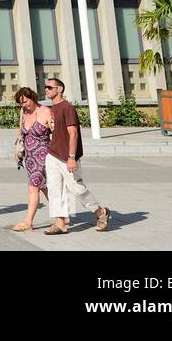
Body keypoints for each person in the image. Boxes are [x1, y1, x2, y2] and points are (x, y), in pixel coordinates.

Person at [41, 77, 111, 234]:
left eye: (49, 87)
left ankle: (101, 213)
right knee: (54, 189)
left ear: (59, 89)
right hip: (52, 154)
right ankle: (60, 223)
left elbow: (73, 133)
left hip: (67, 157)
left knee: (77, 189)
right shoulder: (52, 108)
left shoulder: (67, 108)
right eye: (45, 87)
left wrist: (71, 157)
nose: (46, 89)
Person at [11, 87, 50, 231]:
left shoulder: (45, 111)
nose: (24, 105)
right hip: (30, 158)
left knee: (33, 188)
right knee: (45, 188)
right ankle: (62, 216)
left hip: (43, 156)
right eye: (21, 103)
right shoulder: (23, 113)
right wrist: (18, 150)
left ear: (32, 98)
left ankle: (28, 222)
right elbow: (21, 134)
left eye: (25, 102)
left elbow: (57, 132)